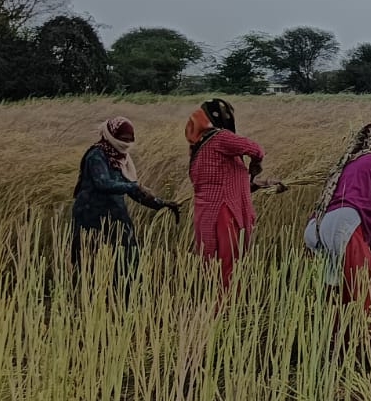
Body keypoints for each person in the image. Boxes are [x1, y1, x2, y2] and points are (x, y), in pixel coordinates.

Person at [305, 124, 371, 320]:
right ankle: (368, 348)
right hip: (345, 225)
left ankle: (329, 344)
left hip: (316, 227)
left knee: (332, 299)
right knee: (364, 297)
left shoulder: (347, 162)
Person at [71, 117, 180, 282]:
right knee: (90, 262)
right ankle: (91, 300)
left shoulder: (122, 159)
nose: (126, 143)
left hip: (115, 214)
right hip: (90, 216)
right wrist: (134, 186)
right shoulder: (96, 155)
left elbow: (133, 190)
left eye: (130, 140)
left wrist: (161, 203)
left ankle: (126, 296)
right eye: (123, 140)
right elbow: (103, 183)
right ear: (111, 135)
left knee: (128, 259)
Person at [185, 99, 279, 288]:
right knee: (229, 264)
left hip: (206, 214)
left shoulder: (198, 147)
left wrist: (263, 184)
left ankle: (216, 305)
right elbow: (256, 148)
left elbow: (227, 182)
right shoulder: (220, 138)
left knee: (213, 265)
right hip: (224, 212)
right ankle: (225, 309)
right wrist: (256, 162)